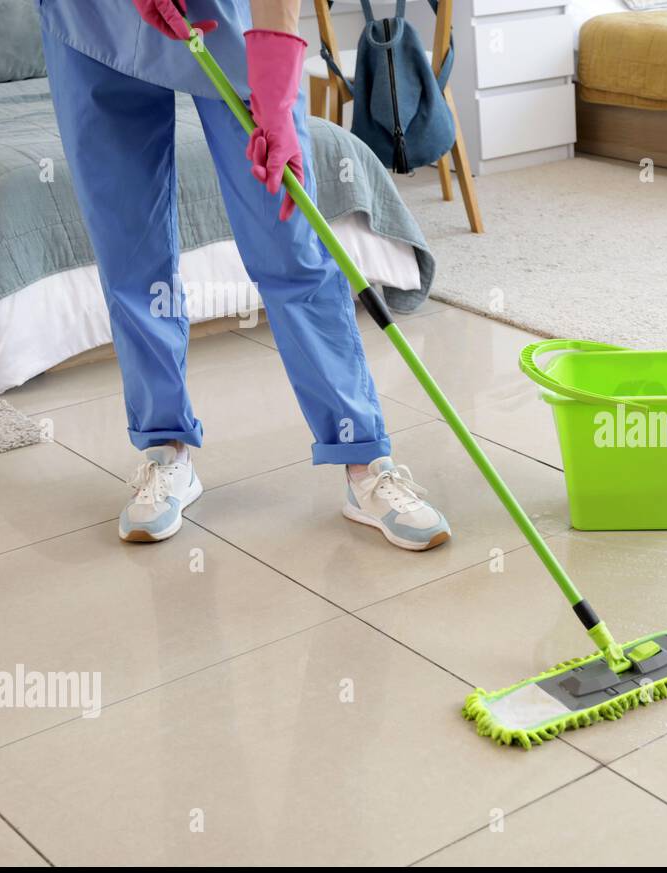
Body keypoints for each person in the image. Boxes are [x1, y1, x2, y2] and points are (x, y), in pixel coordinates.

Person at [37, 0, 450, 551]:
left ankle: (363, 460)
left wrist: (276, 98)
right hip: (90, 18)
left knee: (289, 243)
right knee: (127, 247)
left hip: (224, 15)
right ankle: (165, 450)